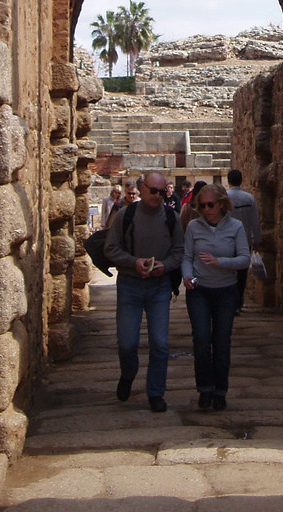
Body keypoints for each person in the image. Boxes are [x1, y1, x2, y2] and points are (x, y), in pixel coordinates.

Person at [105, 171, 183, 412]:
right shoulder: (126, 215)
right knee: (127, 342)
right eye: (153, 191)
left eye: (161, 192)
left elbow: (179, 251)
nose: (157, 196)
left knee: (159, 343)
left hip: (159, 287)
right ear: (142, 188)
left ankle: (155, 392)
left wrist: (165, 266)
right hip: (130, 284)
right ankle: (128, 373)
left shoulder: (172, 218)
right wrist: (132, 262)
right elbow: (110, 248)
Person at [182, 184, 250, 411]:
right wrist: (187, 276)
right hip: (200, 290)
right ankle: (205, 389)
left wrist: (220, 261)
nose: (206, 209)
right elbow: (187, 256)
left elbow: (244, 259)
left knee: (221, 342)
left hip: (225, 291)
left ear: (221, 204)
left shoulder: (236, 227)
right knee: (201, 340)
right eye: (202, 205)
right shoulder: (193, 226)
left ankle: (220, 390)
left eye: (210, 205)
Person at [226, 168, 262, 312]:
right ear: (241, 180)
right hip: (245, 241)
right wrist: (257, 239)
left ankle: (229, 302)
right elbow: (255, 221)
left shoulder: (225, 198)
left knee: (229, 273)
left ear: (229, 181)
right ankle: (238, 303)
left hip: (227, 241)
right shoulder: (249, 198)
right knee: (241, 274)